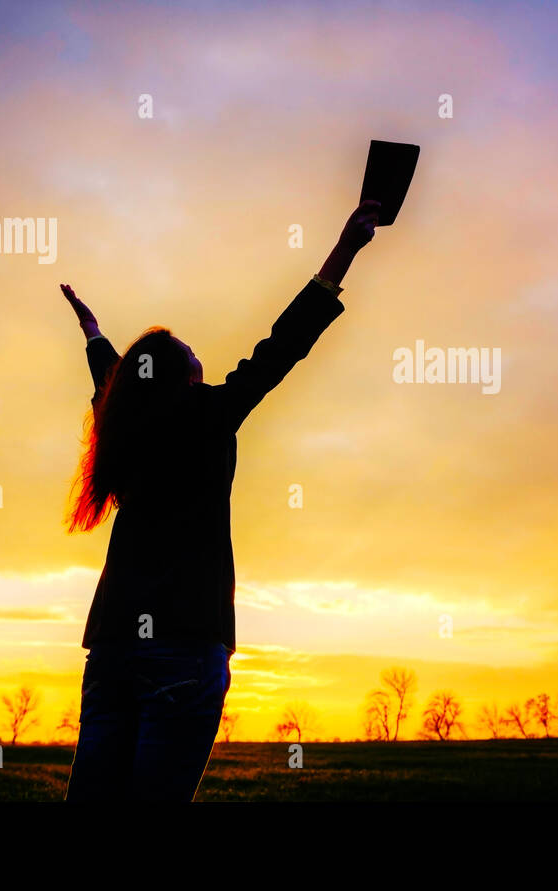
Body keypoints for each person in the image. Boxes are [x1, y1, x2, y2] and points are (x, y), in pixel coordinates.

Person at [59, 200, 380, 800]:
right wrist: (344, 251)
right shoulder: (209, 416)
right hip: (184, 646)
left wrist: (94, 334)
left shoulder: (124, 430)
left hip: (113, 649)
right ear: (187, 378)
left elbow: (112, 382)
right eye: (194, 358)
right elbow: (282, 346)